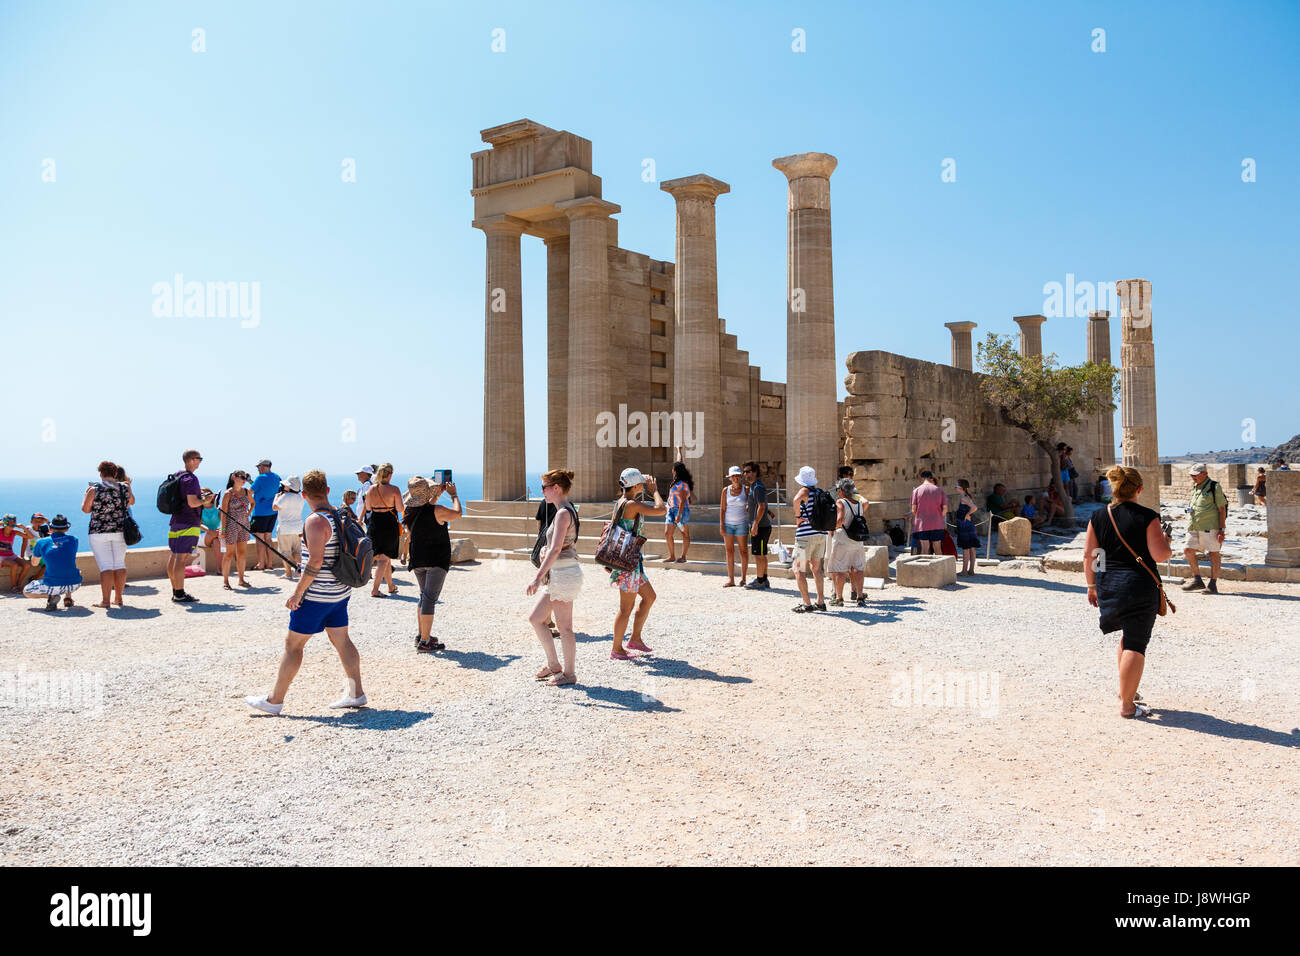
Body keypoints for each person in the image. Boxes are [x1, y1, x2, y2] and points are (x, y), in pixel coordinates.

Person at [245, 470, 366, 715]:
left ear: (304, 494)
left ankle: (274, 700)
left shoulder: (315, 521)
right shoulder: (339, 514)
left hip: (318, 595)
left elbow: (315, 563)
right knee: (342, 640)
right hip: (340, 591)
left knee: (293, 645)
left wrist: (297, 593)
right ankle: (356, 693)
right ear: (328, 490)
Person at [1084, 465, 1173, 719]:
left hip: (1109, 585)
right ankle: (1127, 706)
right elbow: (1160, 555)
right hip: (1138, 585)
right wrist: (1167, 543)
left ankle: (1128, 691)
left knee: (1127, 635)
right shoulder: (1148, 516)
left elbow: (1093, 554)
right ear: (1139, 489)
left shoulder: (1099, 516)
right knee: (1136, 642)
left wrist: (1092, 584)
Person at [526, 469, 582, 685]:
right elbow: (557, 545)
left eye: (544, 488)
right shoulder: (564, 510)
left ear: (556, 488)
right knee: (536, 618)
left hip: (564, 573)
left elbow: (557, 547)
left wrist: (537, 577)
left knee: (565, 628)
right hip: (559, 572)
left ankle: (569, 674)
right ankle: (554, 665)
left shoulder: (563, 512)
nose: (543, 492)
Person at [609, 468, 666, 659]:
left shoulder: (620, 503)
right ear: (637, 485)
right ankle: (617, 649)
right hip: (628, 564)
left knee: (649, 597)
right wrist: (655, 490)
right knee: (625, 609)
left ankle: (635, 639)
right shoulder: (631, 504)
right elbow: (661, 509)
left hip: (631, 561)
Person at [404, 475, 462, 653]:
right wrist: (454, 495)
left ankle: (422, 635)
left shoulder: (409, 512)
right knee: (429, 599)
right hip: (436, 559)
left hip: (418, 558)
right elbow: (458, 513)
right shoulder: (438, 510)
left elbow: (425, 507)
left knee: (424, 596)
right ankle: (425, 641)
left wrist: (436, 493)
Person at [81, 460, 135, 608]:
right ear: (115, 473)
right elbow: (132, 502)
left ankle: (105, 601)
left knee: (106, 567)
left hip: (98, 532)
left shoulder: (94, 489)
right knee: (119, 564)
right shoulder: (124, 487)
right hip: (119, 530)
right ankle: (118, 598)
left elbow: (85, 509)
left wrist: (87, 495)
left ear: (101, 473)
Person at [1181, 463, 1228, 595]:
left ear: (1204, 474)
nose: (1192, 477)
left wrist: (1221, 529)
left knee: (1213, 553)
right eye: (1191, 474)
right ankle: (1197, 580)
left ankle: (1213, 584)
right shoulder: (1196, 487)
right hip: (1194, 526)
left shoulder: (1215, 487)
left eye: (1195, 475)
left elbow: (1222, 509)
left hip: (1210, 527)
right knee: (1188, 550)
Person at [166, 450, 205, 603]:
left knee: (174, 556)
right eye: (199, 459)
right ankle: (180, 594)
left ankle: (175, 590)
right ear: (191, 460)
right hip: (188, 522)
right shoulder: (191, 479)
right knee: (181, 559)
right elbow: (192, 502)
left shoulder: (177, 475)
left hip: (175, 521)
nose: (200, 462)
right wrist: (206, 500)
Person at [22, 514, 82, 611]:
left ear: (50, 528)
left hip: (53, 585)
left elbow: (34, 563)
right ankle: (68, 598)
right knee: (72, 569)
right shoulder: (74, 540)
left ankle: (52, 597)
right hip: (74, 584)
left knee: (26, 591)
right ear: (66, 529)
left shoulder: (41, 542)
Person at [791, 466, 828, 613]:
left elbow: (796, 499)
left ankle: (807, 604)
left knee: (798, 569)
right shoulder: (819, 491)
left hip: (805, 535)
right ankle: (820, 601)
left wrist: (798, 517)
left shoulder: (805, 491)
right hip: (820, 534)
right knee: (817, 568)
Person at [365, 463, 403, 597]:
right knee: (383, 559)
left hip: (375, 523)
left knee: (384, 557)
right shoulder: (394, 490)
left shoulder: (371, 489)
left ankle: (391, 586)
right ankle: (375, 589)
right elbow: (399, 509)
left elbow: (368, 508)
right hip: (388, 524)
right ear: (391, 474)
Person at [829, 478, 867, 607]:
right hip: (857, 541)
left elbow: (840, 520)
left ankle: (839, 598)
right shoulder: (859, 504)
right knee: (858, 569)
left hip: (843, 540)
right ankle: (860, 597)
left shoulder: (840, 502)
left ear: (840, 490)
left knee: (840, 570)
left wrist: (832, 528)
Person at [220, 470, 255, 589]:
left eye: (246, 477)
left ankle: (241, 580)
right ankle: (226, 581)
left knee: (242, 553)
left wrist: (248, 514)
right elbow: (223, 513)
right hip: (231, 524)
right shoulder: (228, 493)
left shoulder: (246, 492)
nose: (244, 480)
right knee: (229, 554)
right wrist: (223, 529)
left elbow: (253, 503)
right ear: (234, 478)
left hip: (244, 524)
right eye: (242, 477)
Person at [742, 461, 772, 590]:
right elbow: (761, 504)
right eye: (744, 472)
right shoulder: (754, 486)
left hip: (760, 527)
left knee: (758, 555)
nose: (745, 474)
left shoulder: (758, 486)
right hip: (760, 525)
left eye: (748, 471)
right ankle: (764, 579)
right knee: (761, 553)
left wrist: (755, 524)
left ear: (755, 472)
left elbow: (762, 505)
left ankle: (759, 580)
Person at [720, 466, 751, 587]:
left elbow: (751, 504)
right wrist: (721, 525)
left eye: (737, 475)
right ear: (730, 478)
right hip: (728, 524)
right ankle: (731, 579)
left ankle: (743, 578)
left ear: (740, 476)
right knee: (729, 551)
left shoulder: (746, 489)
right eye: (733, 476)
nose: (735, 478)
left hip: (741, 523)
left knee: (743, 551)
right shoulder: (725, 491)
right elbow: (722, 509)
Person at [249, 458, 281, 572]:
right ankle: (270, 563)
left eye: (258, 467)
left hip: (260, 512)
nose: (258, 469)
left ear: (262, 466)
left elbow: (250, 492)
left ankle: (261, 564)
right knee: (268, 537)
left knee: (259, 539)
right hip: (272, 512)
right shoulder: (277, 477)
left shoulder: (260, 478)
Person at [273, 476, 305, 582]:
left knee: (285, 552)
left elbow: (274, 507)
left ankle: (288, 573)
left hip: (285, 528)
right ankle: (300, 571)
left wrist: (276, 497)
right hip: (298, 528)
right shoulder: (300, 497)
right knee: (297, 551)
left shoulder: (284, 497)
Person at [910, 470, 947, 555]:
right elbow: (945, 509)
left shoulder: (916, 491)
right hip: (937, 523)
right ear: (931, 478)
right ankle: (939, 567)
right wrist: (939, 517)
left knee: (925, 548)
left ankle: (925, 568)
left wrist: (919, 517)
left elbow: (913, 510)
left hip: (922, 524)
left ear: (921, 478)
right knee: (937, 548)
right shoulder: (939, 490)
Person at [664, 461, 693, 563]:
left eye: (673, 468)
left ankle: (683, 556)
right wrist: (679, 450)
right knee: (667, 533)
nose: (671, 469)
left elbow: (683, 500)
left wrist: (679, 515)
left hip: (681, 510)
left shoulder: (682, 484)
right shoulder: (675, 482)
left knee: (684, 534)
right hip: (671, 509)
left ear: (675, 471)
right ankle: (672, 556)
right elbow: (679, 460)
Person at [1, 515, 35, 591]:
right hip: (1, 556)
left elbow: (30, 537)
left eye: (13, 523)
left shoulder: (14, 532)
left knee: (27, 565)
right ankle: (13, 586)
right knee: (14, 565)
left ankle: (18, 585)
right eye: (9, 523)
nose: (11, 525)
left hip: (11, 555)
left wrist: (23, 528)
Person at [954, 479, 980, 576]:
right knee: (972, 547)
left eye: (956, 486)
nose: (955, 488)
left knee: (966, 548)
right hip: (968, 524)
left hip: (964, 525)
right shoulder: (966, 496)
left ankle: (964, 571)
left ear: (961, 488)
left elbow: (974, 507)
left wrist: (967, 514)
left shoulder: (964, 497)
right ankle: (971, 570)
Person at [199, 489, 221, 574]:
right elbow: (199, 524)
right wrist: (211, 531)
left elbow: (224, 522)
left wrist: (222, 529)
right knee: (216, 537)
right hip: (201, 536)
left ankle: (219, 569)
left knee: (216, 541)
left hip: (215, 536)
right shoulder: (199, 509)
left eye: (206, 494)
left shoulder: (218, 508)